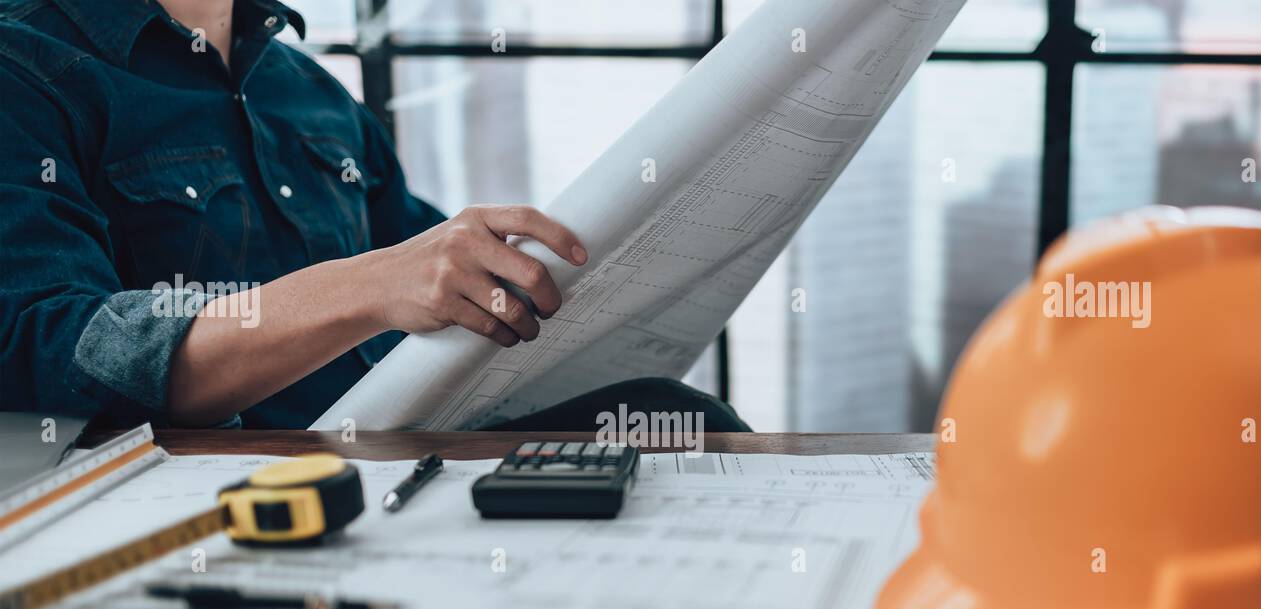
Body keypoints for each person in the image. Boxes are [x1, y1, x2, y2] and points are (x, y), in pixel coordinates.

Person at [0, 0, 747, 431]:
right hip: (236, 501)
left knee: (676, 421)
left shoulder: (312, 93)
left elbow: (435, 276)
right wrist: (366, 287)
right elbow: (48, 348)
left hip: (414, 453)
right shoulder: (23, 66)